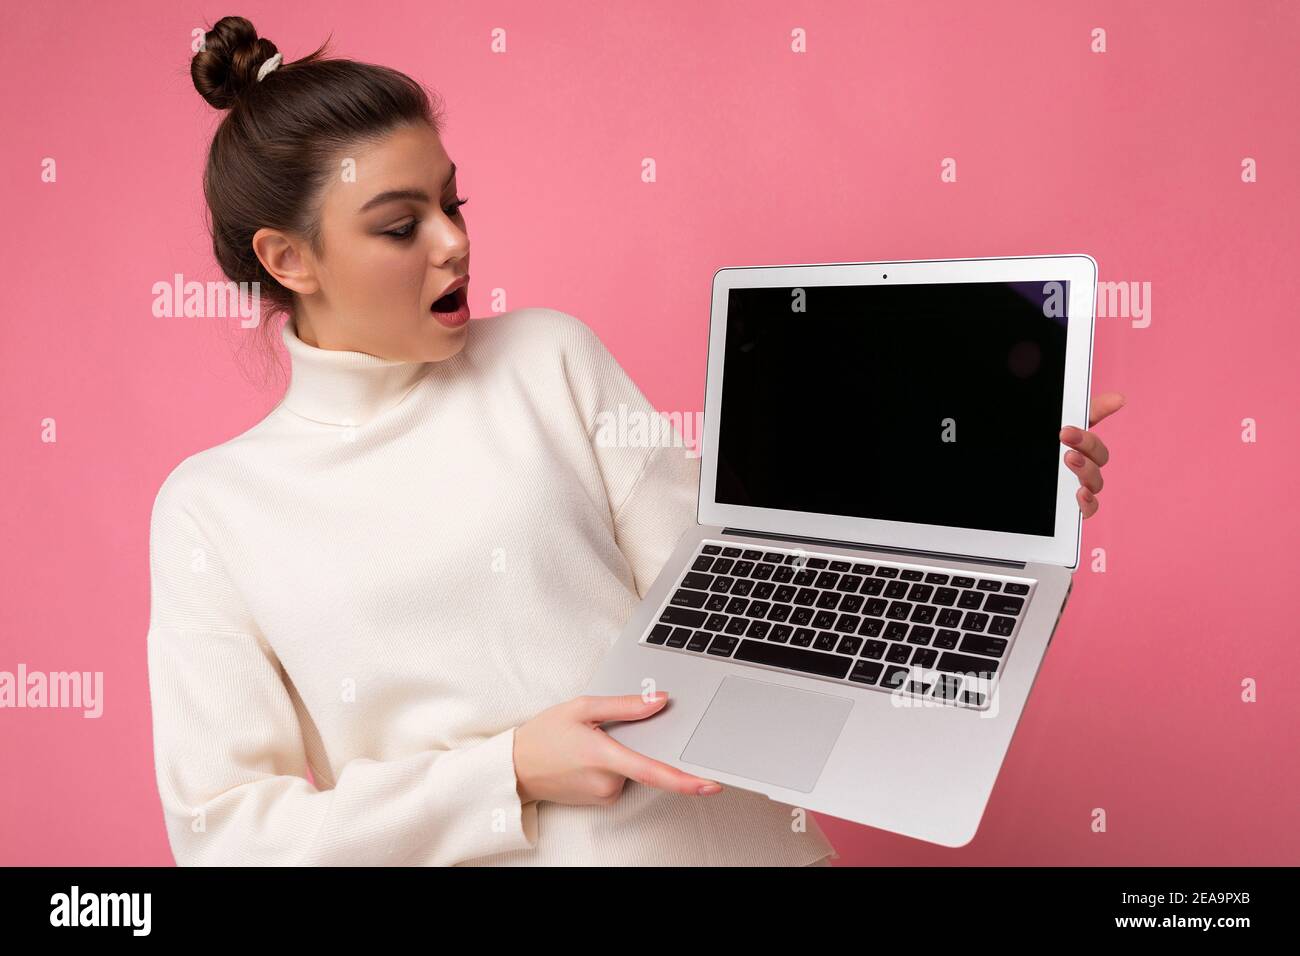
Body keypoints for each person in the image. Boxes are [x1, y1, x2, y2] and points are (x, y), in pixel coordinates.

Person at [147, 15, 1123, 867]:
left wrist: (983, 502)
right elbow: (230, 838)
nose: (452, 242)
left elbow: (734, 564)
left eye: (454, 203)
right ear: (287, 258)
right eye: (401, 226)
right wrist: (509, 768)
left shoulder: (546, 355)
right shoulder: (215, 507)